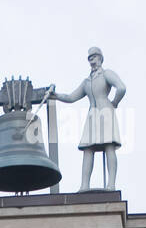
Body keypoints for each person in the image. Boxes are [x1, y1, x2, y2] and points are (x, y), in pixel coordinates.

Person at [51, 48, 126, 192]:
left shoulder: (106, 74)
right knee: (88, 148)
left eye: (95, 56)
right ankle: (84, 185)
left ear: (100, 58)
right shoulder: (87, 81)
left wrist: (114, 103)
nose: (92, 60)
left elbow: (121, 88)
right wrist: (56, 95)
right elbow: (71, 97)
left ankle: (111, 184)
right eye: (90, 57)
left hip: (105, 111)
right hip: (92, 115)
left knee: (109, 146)